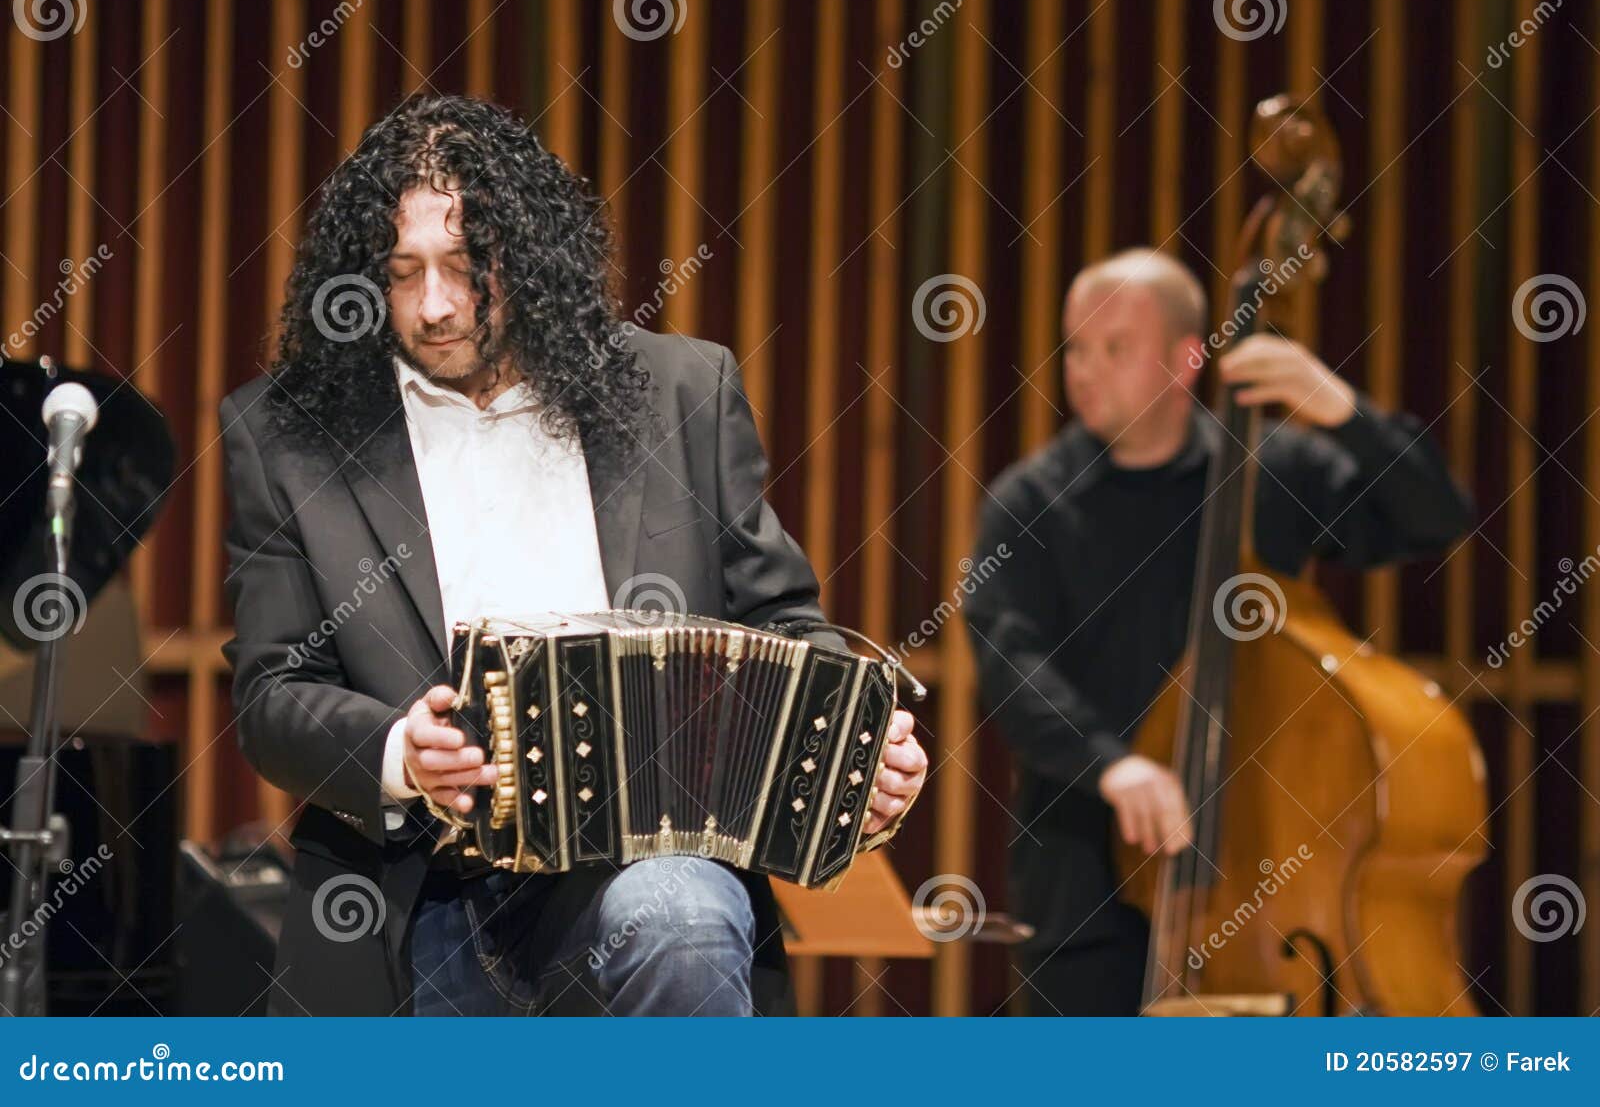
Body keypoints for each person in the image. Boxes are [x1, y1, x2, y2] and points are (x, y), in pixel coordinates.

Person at [221, 94, 927, 1017]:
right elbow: (272, 693)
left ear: (531, 258)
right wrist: (401, 750)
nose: (433, 306)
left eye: (466, 269)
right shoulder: (285, 432)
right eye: (402, 275)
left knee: (681, 915)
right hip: (411, 893)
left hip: (642, 870)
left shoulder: (681, 389)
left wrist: (849, 747)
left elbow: (780, 622)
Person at [964, 247, 1472, 1016]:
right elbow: (1010, 659)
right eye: (1074, 347)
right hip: (1082, 887)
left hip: (1264, 884)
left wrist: (1343, 411)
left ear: (1186, 359)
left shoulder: (1271, 471)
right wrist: (1114, 766)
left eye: (1114, 348)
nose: (1085, 369)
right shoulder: (1029, 499)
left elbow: (1436, 517)